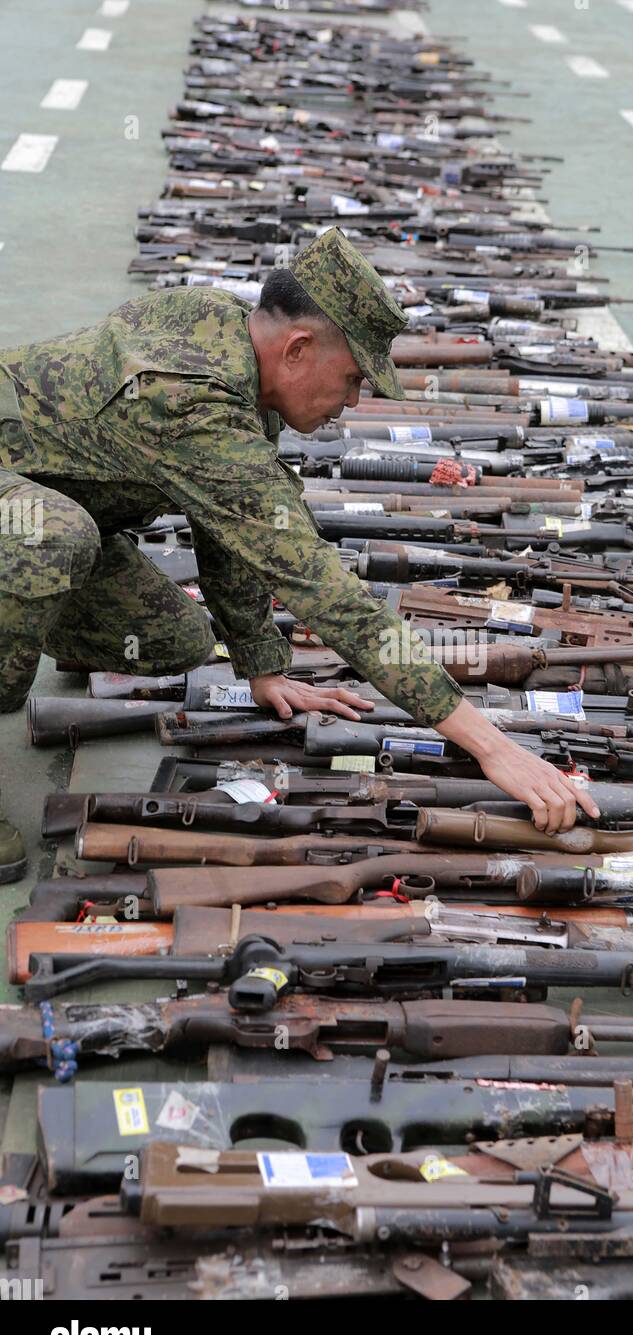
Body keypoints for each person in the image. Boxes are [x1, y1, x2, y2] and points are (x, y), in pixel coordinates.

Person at [0, 228, 597, 881]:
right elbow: (314, 582)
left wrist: (261, 664)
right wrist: (489, 744)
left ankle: (54, 616)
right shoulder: (187, 397)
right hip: (28, 512)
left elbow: (230, 520)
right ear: (298, 348)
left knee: (171, 640)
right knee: (51, 537)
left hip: (31, 490)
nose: (352, 402)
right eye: (350, 378)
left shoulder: (230, 341)